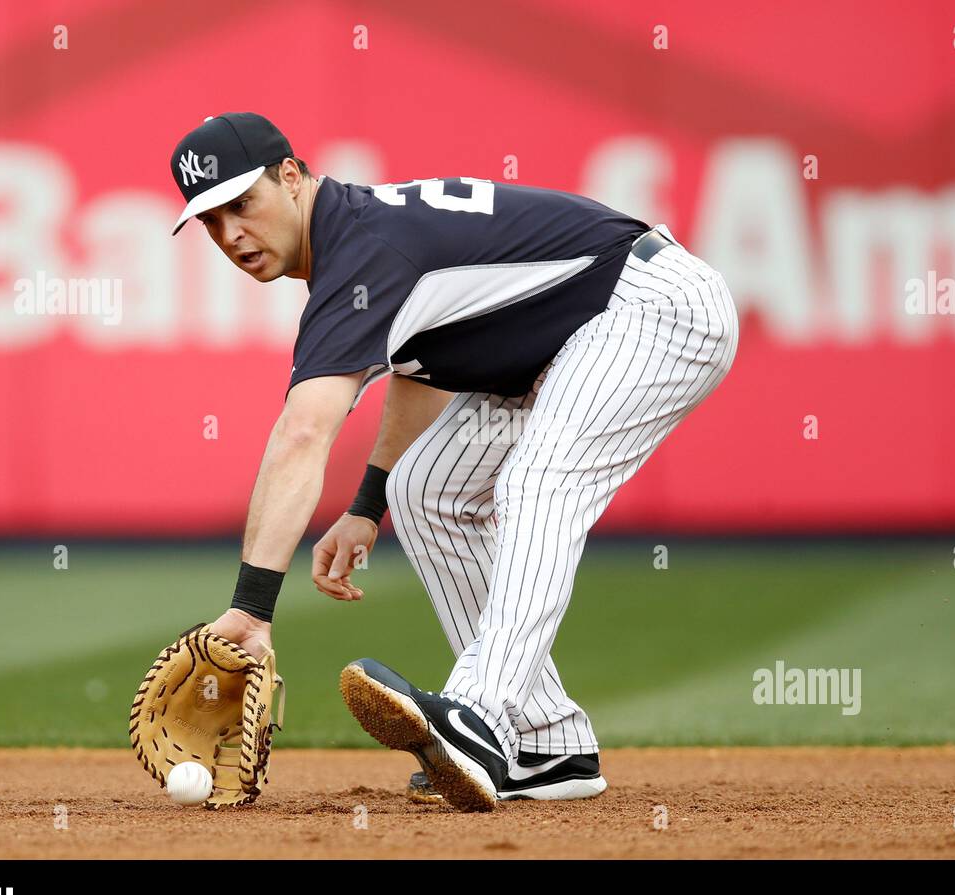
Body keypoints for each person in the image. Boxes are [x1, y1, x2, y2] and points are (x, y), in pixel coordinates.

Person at [168, 112, 738, 810]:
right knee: (428, 490)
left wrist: (251, 612)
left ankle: (481, 720)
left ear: (291, 176)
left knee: (539, 481)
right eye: (209, 220)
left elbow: (301, 435)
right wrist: (369, 503)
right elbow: (421, 364)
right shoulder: (355, 241)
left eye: (241, 204)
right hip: (567, 341)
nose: (230, 234)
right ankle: (544, 743)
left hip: (650, 306)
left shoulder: (360, 250)